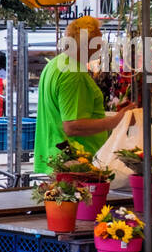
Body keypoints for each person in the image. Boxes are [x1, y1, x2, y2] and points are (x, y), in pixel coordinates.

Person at [34, 15, 135, 166]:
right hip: (76, 163)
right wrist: (116, 121)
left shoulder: (55, 65)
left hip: (58, 158)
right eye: (99, 39)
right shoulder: (73, 74)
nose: (101, 45)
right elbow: (73, 126)